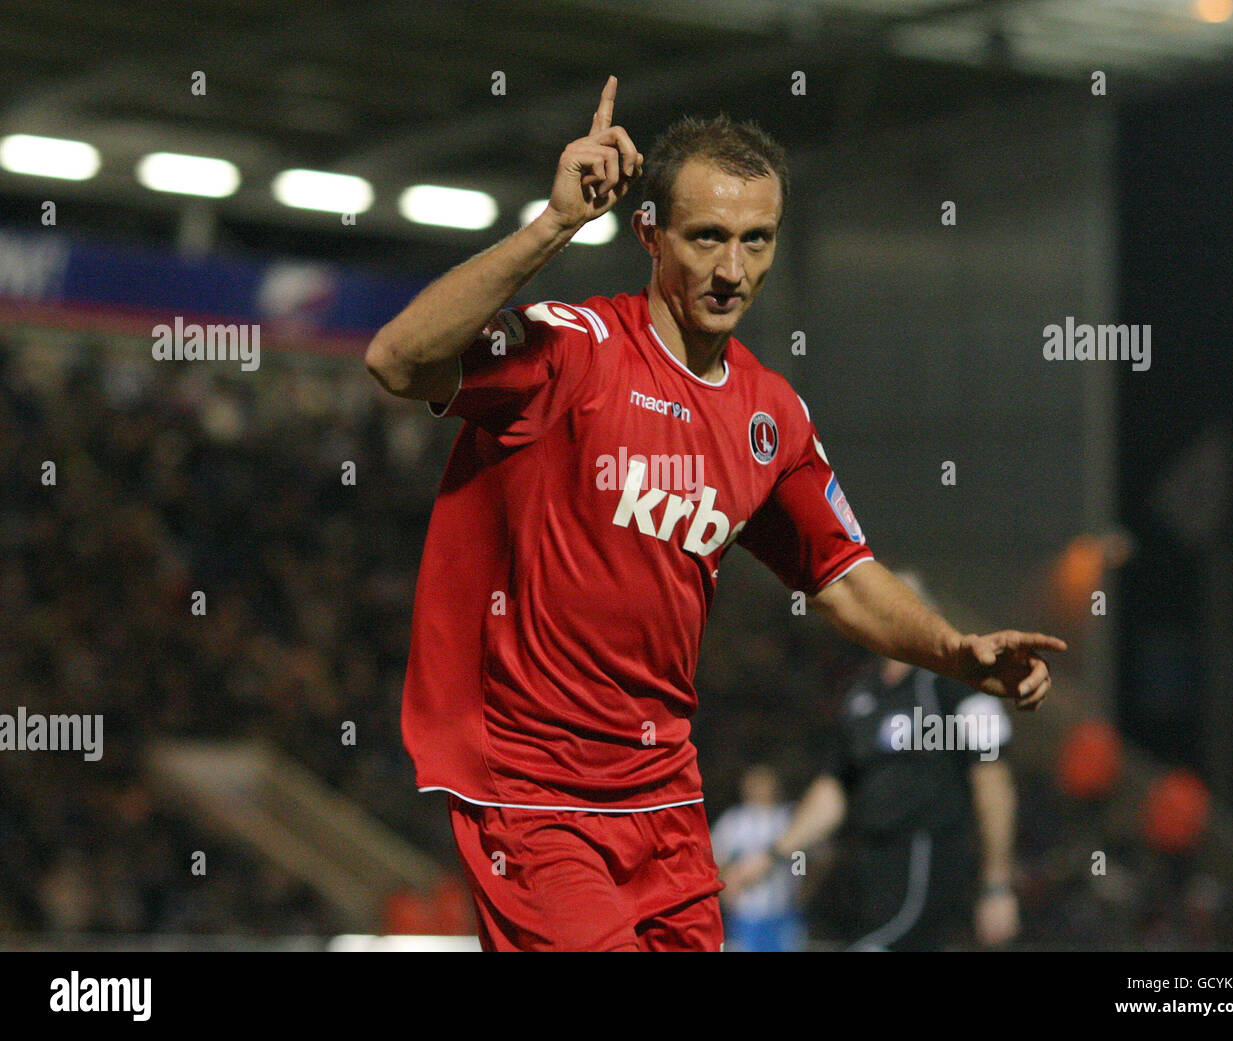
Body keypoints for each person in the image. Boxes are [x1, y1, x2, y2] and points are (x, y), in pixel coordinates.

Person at [364, 76, 1065, 952]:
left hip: (664, 795)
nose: (733, 269)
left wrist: (953, 650)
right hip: (536, 787)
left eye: (755, 240)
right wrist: (552, 226)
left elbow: (843, 575)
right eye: (707, 237)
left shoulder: (771, 418)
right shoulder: (573, 350)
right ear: (648, 234)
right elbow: (397, 359)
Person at [725, 572, 1022, 951]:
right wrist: (773, 856)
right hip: (868, 868)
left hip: (926, 863)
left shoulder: (953, 688)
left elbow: (992, 778)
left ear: (928, 615)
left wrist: (997, 884)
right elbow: (835, 788)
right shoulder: (862, 694)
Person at [712, 765, 806, 951]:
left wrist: (800, 880)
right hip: (746, 913)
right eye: (753, 783)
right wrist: (726, 885)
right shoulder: (734, 821)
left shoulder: (787, 818)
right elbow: (715, 859)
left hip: (784, 911)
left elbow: (801, 855)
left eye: (763, 783)